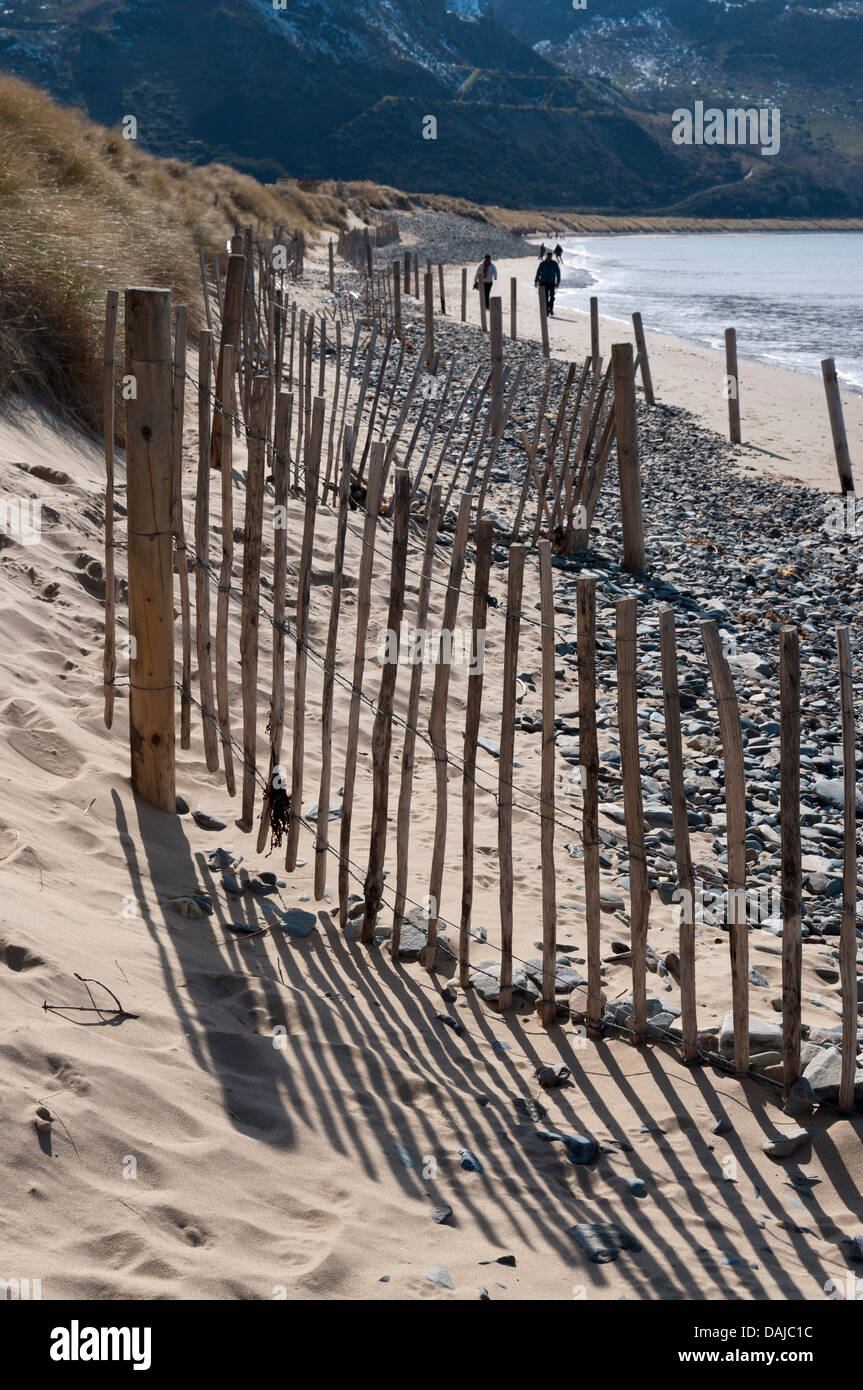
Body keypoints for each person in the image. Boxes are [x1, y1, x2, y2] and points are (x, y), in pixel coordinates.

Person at [535, 250, 561, 317]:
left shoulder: (554, 263)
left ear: (551, 257)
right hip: (544, 283)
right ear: (546, 256)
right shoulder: (542, 263)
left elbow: (558, 273)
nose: (549, 258)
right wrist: (536, 281)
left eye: (550, 257)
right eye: (548, 256)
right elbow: (538, 272)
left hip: (552, 283)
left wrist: (558, 282)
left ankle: (551, 309)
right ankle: (546, 311)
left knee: (552, 297)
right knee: (545, 298)